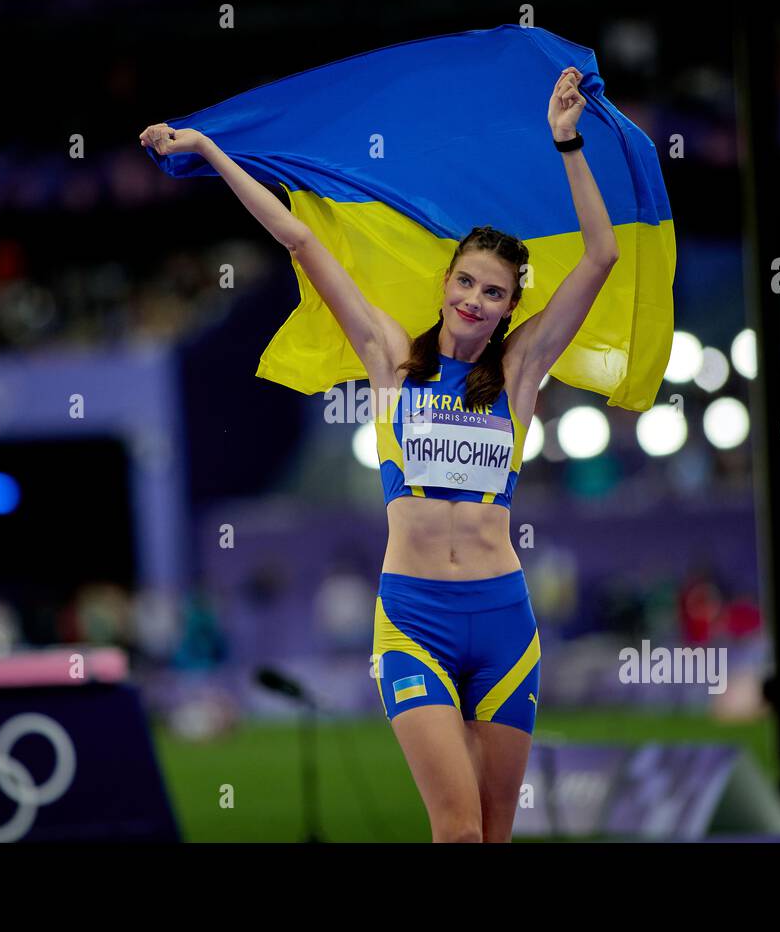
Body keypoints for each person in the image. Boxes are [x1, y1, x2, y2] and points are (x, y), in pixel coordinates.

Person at [140, 67, 619, 842]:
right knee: (457, 831)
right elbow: (298, 238)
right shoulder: (393, 361)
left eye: (493, 292)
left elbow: (599, 256)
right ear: (445, 284)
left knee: (494, 836)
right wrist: (211, 148)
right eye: (465, 281)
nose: (473, 299)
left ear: (509, 308)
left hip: (505, 623)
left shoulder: (522, 371)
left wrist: (567, 141)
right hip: (414, 621)